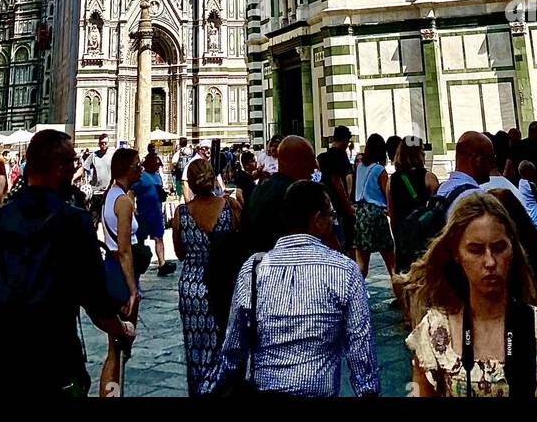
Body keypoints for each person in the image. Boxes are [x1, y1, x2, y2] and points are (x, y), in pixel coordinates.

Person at [0, 129, 133, 397]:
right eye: (71, 163)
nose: (74, 169)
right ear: (58, 167)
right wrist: (121, 329)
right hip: (51, 368)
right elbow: (97, 302)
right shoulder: (74, 223)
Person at [401, 190, 537, 398]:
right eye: (476, 250)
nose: (490, 262)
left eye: (498, 247)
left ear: (512, 249)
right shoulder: (434, 332)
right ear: (456, 253)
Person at [202, 180, 379, 397]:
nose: (334, 222)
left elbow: (233, 346)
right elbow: (360, 344)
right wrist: (367, 390)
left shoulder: (254, 268)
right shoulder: (345, 270)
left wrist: (213, 387)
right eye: (331, 215)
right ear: (317, 219)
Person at [172, 157, 241, 395]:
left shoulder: (181, 213)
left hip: (192, 287)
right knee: (226, 343)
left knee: (196, 347)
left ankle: (200, 390)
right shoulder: (229, 207)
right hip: (224, 285)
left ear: (189, 182)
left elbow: (180, 254)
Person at [99, 148, 144, 396]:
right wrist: (133, 290)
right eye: (136, 164)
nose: (140, 168)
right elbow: (125, 250)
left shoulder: (112, 195)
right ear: (126, 167)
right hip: (121, 274)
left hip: (112, 269)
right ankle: (113, 394)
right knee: (119, 346)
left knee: (115, 348)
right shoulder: (123, 202)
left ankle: (113, 394)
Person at [243, 136, 316, 255]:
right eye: (309, 159)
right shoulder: (296, 194)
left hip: (259, 260)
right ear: (295, 162)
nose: (313, 167)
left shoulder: (261, 189)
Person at [353, 133, 395, 279]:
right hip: (376, 213)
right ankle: (401, 298)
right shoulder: (379, 170)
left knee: (362, 264)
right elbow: (387, 193)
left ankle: (356, 295)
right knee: (391, 262)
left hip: (361, 213)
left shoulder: (359, 167)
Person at [388, 136, 432, 275]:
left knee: (404, 275)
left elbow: (392, 214)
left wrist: (398, 238)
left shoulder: (392, 180)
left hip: (404, 236)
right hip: (425, 237)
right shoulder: (429, 177)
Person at [133, 151, 176, 276]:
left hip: (156, 213)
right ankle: (138, 262)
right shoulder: (140, 177)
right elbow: (132, 191)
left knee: (159, 238)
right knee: (141, 240)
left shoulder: (157, 176)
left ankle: (162, 264)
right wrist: (132, 208)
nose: (158, 167)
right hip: (143, 214)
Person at [318, 125, 355, 255]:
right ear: (345, 140)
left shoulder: (322, 157)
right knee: (346, 242)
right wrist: (348, 204)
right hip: (340, 205)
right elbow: (338, 181)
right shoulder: (340, 155)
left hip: (327, 202)